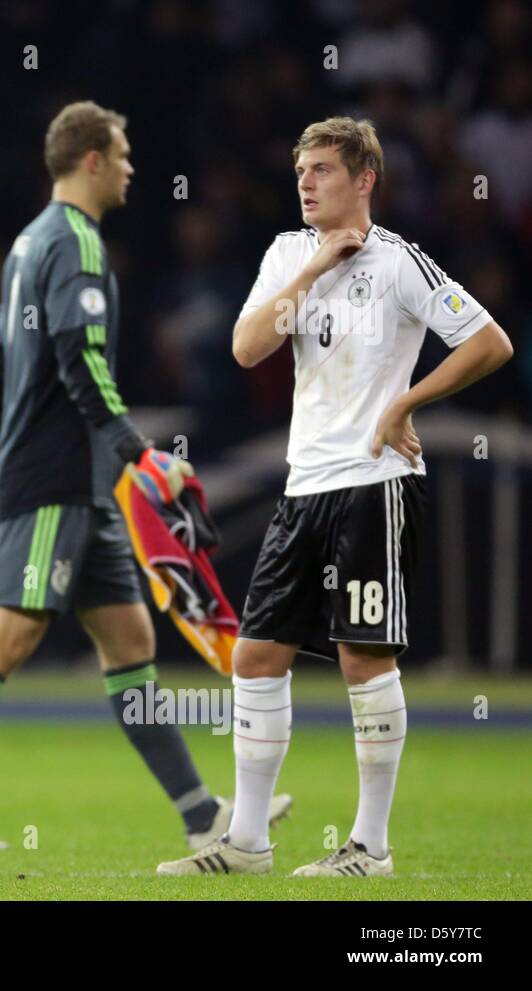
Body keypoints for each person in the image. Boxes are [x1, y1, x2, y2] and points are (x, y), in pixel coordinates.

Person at [0, 102, 290, 852]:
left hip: (75, 482)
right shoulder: (75, 244)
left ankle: (203, 815)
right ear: (94, 160)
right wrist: (141, 451)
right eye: (126, 153)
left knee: (130, 638)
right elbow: (83, 364)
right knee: (6, 637)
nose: (136, 168)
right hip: (53, 478)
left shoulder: (27, 243)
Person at [157, 117, 512, 877]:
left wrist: (404, 404)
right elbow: (249, 346)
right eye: (301, 172)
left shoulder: (399, 264)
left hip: (373, 482)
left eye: (322, 170)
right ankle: (248, 843)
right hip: (303, 483)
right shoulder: (290, 252)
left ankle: (370, 847)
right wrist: (315, 267)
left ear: (364, 179)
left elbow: (490, 342)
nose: (307, 183)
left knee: (363, 659)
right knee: (255, 656)